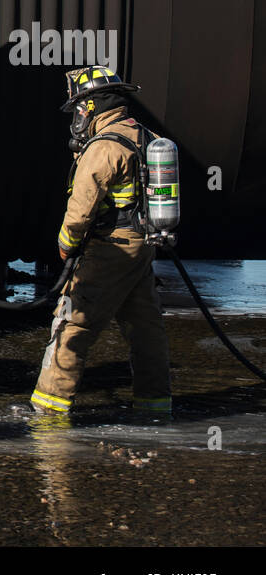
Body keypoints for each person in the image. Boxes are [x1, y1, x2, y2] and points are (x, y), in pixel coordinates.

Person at [31, 66, 171, 415]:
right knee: (145, 328)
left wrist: (66, 246)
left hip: (109, 249)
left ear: (92, 107)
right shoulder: (148, 137)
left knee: (72, 325)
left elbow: (80, 211)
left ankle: (49, 411)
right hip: (141, 247)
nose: (76, 116)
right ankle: (154, 404)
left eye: (79, 108)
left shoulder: (104, 146)